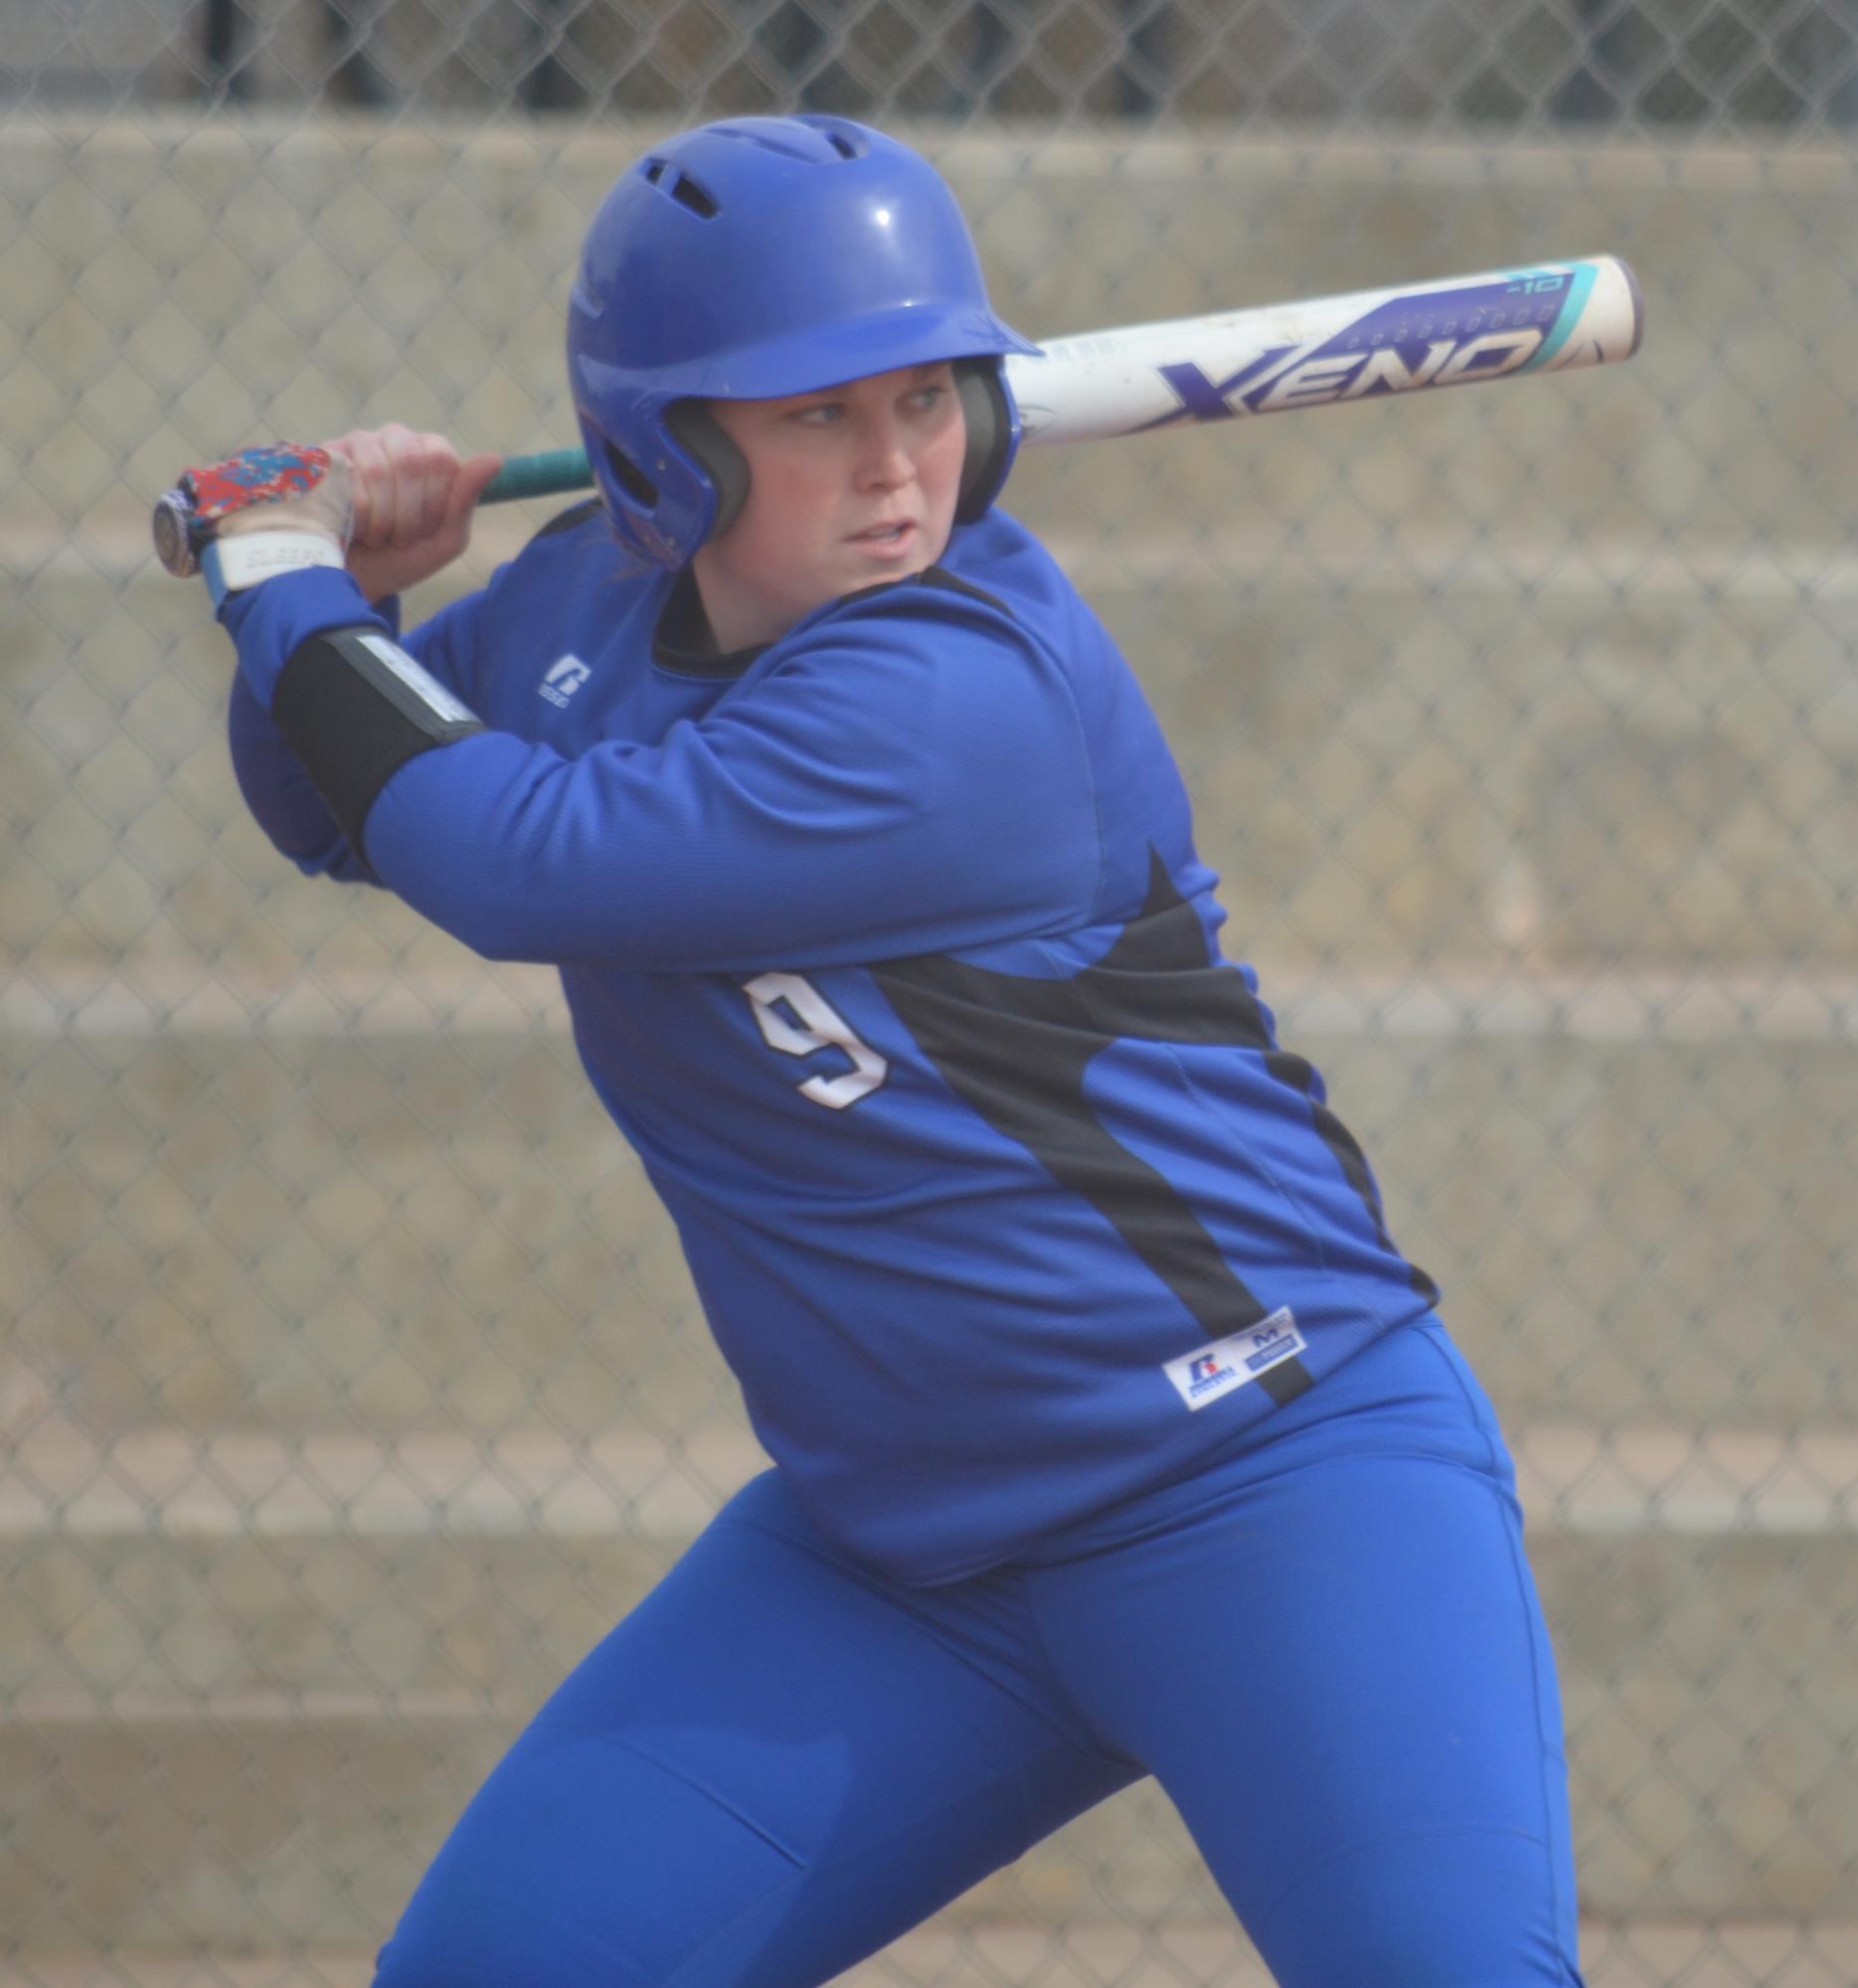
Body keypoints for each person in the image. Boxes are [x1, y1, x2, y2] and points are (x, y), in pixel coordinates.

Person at [180, 114, 1588, 1987]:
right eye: (816, 416)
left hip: (1260, 1485)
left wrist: (277, 573)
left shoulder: (963, 689)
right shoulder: (589, 602)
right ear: (665, 454)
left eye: (925, 398)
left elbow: (505, 860)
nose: (896, 467)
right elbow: (335, 803)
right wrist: (350, 592)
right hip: (898, 1560)